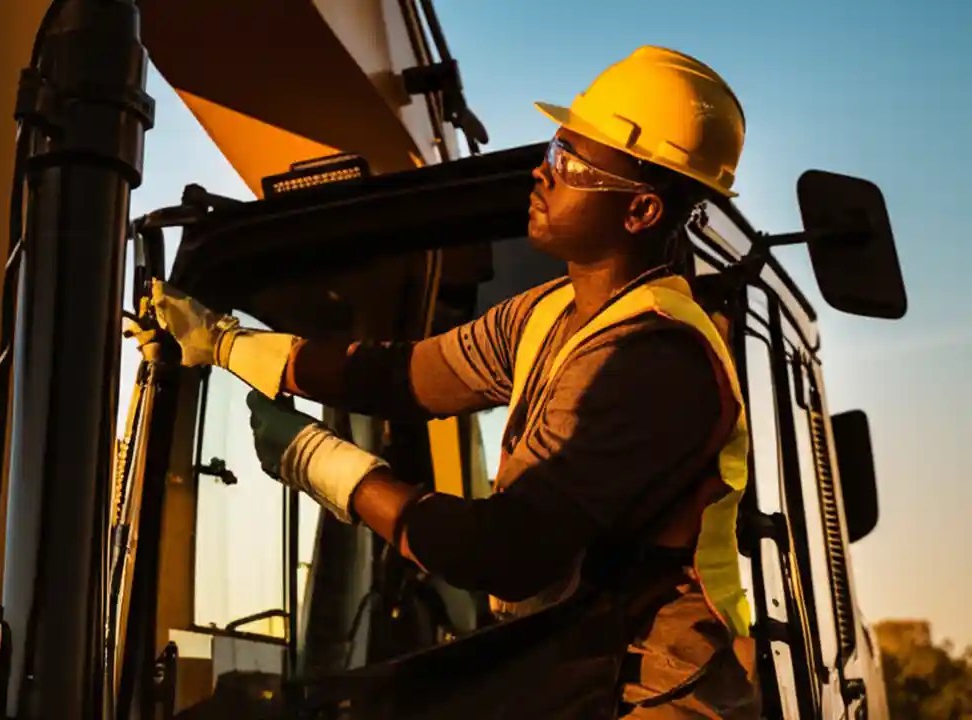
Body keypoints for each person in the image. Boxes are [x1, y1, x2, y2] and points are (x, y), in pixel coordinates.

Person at [134, 46, 760, 718]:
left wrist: (319, 462)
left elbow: (507, 551)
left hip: (658, 696)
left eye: (570, 165)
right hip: (579, 668)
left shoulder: (656, 359)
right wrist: (229, 343)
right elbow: (404, 376)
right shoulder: (548, 312)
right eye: (554, 149)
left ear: (639, 211)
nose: (542, 175)